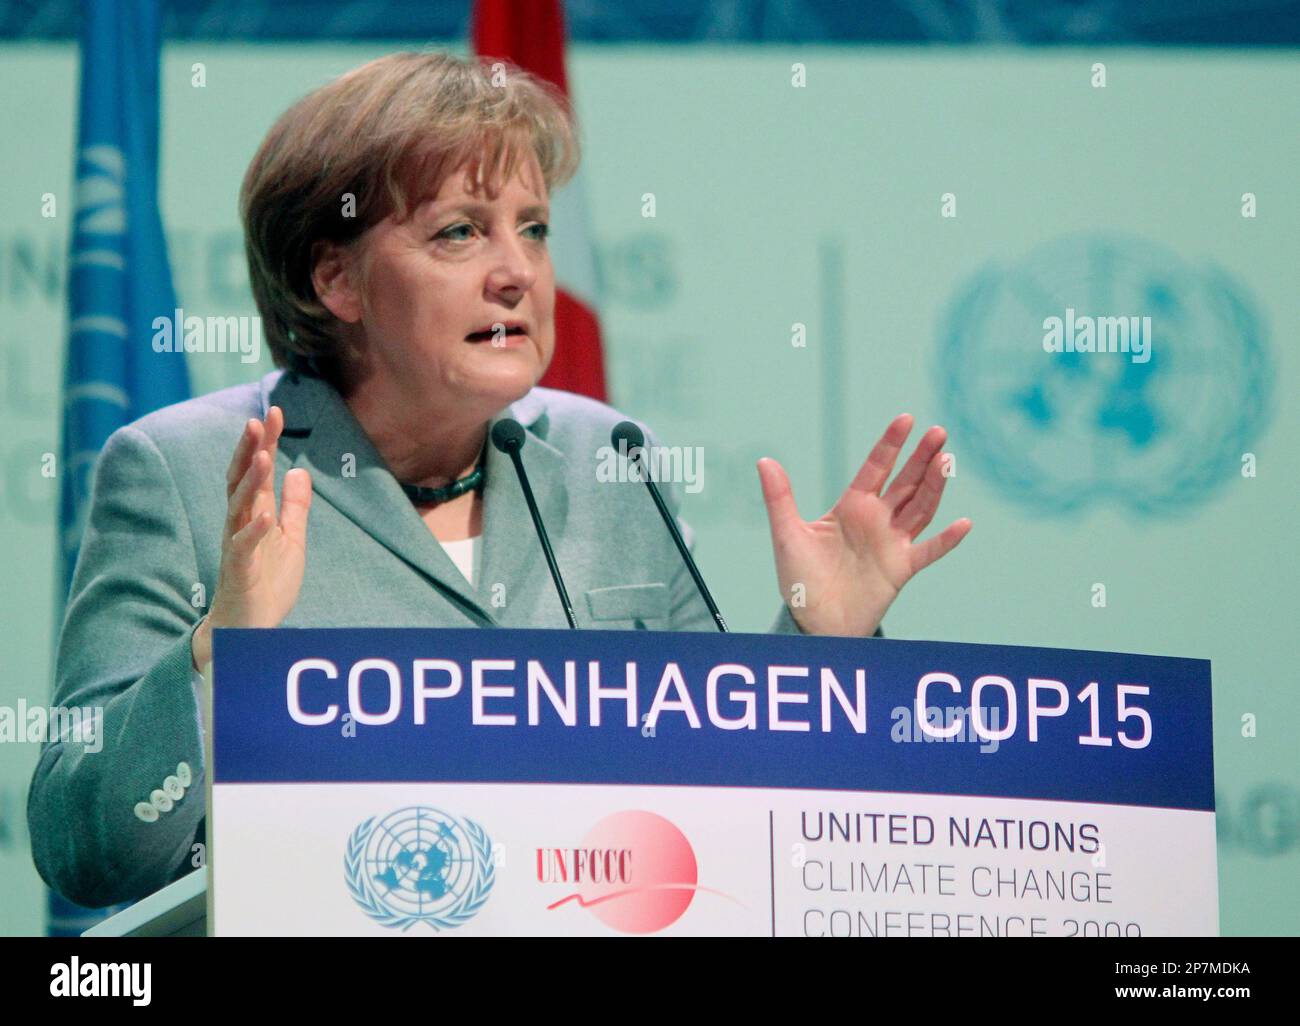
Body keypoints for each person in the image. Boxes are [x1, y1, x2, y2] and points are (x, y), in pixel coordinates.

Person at [28, 51, 970, 910]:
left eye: (533, 229)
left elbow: (718, 786)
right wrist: (215, 656)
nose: (517, 272)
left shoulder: (607, 460)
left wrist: (822, 636)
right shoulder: (190, 473)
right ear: (337, 279)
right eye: (458, 234)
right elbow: (84, 845)